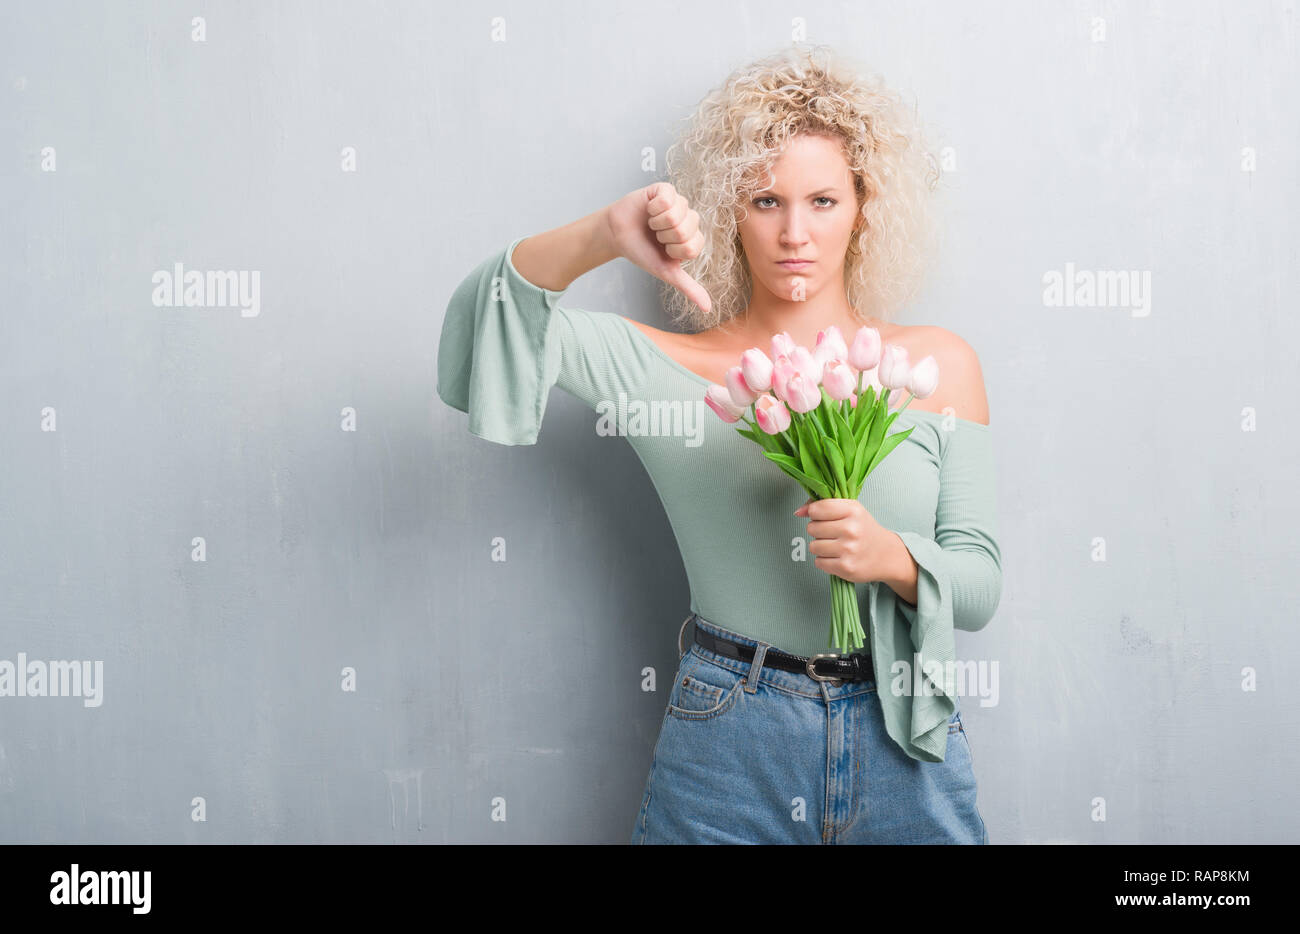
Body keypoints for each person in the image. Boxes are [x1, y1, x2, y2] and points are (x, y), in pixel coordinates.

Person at [437, 44, 1001, 844]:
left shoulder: (935, 367)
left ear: (866, 206)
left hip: (904, 730)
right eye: (765, 200)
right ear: (729, 209)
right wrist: (603, 233)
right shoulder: (668, 370)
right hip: (731, 735)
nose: (795, 232)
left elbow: (979, 584)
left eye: (824, 201)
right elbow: (483, 327)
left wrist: (891, 559)